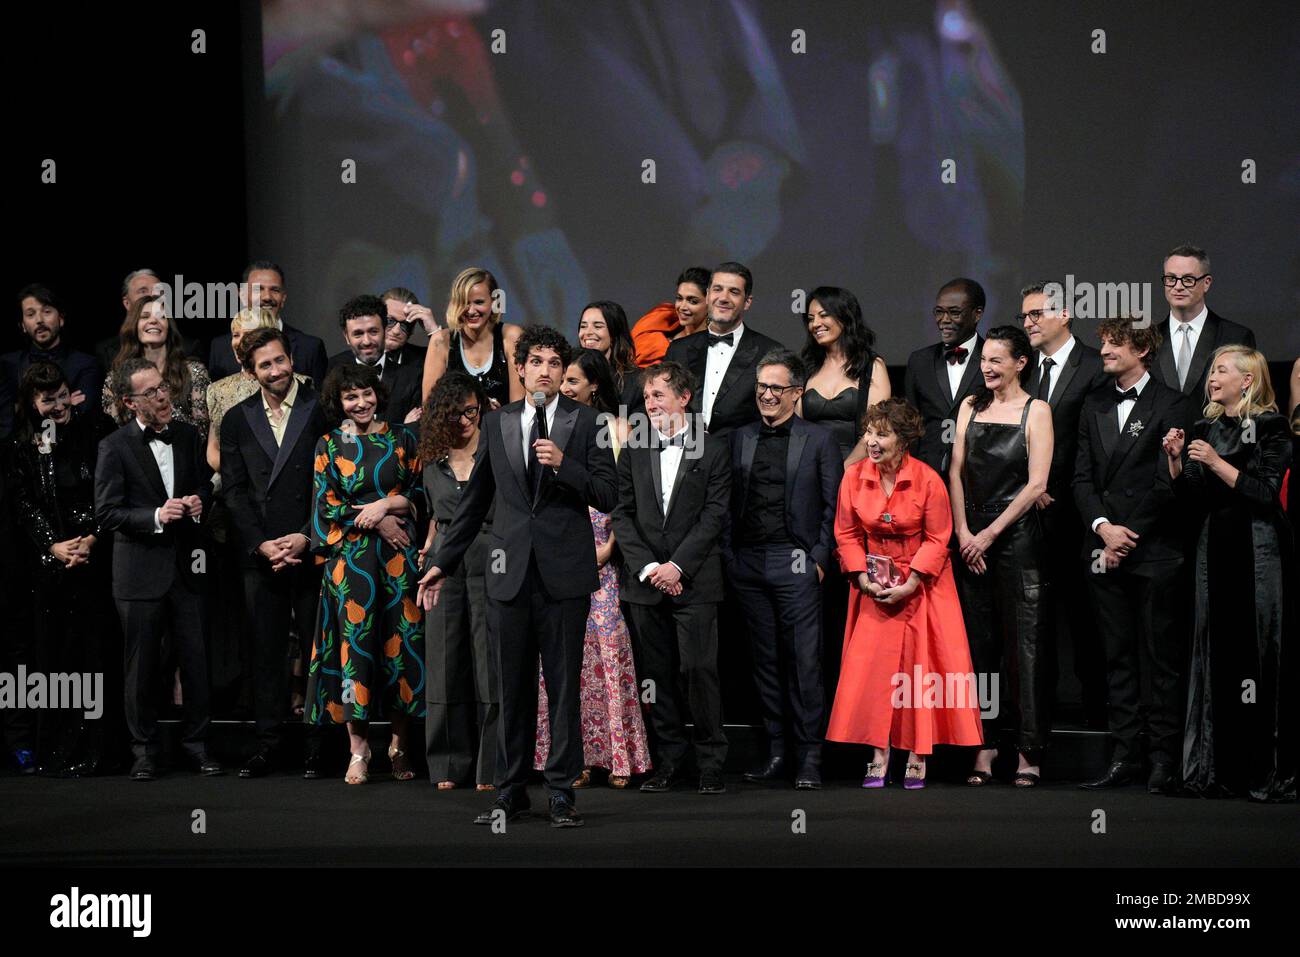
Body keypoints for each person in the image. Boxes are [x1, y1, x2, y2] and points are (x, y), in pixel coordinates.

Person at [418, 325, 618, 828]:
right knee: (510, 688)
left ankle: (561, 793)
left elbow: (609, 494)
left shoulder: (588, 421)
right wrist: (441, 561)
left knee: (563, 687)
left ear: (563, 371)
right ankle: (509, 791)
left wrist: (566, 465)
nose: (546, 371)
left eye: (556, 363)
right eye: (537, 362)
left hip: (565, 577)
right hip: (506, 575)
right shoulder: (499, 421)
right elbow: (474, 502)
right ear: (522, 368)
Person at [827, 397, 983, 787]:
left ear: (904, 439)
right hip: (873, 580)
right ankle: (878, 752)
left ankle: (918, 751)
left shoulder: (928, 478)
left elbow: (938, 536)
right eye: (868, 432)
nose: (872, 441)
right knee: (875, 671)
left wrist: (912, 581)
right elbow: (846, 534)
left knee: (921, 670)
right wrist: (863, 578)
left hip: (923, 583)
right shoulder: (853, 476)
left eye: (882, 433)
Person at [1163, 346, 1294, 802]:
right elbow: (1192, 501)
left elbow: (1264, 492)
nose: (1212, 377)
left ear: (1247, 380)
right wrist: (1178, 461)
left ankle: (1261, 772)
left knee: (1257, 652)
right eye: (1212, 369)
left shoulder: (1273, 428)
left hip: (1257, 551)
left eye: (1221, 370)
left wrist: (1217, 463)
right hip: (1213, 548)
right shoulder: (1206, 427)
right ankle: (1213, 769)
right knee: (1214, 651)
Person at [1074, 319, 1191, 792]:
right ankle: (1126, 756)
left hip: (1154, 552)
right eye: (1103, 342)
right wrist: (1103, 529)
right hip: (1104, 549)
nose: (1104, 350)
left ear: (1142, 349)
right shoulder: (1094, 402)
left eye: (1114, 343)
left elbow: (1168, 482)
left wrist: (1129, 534)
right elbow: (1081, 478)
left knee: (1159, 658)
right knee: (1116, 656)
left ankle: (1164, 757)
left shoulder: (1171, 402)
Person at [93, 357, 221, 781]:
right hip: (138, 573)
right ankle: (144, 751)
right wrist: (155, 515)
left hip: (187, 568)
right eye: (151, 392)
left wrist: (201, 500)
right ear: (130, 403)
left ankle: (197, 745)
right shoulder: (114, 446)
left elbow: (202, 482)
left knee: (196, 662)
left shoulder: (187, 435)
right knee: (141, 668)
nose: (163, 395)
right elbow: (108, 514)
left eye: (163, 387)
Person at [611, 361, 731, 794]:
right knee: (655, 676)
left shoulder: (713, 449)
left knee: (700, 670)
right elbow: (622, 514)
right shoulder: (635, 449)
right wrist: (649, 569)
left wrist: (677, 567)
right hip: (645, 583)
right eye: (646, 398)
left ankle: (711, 761)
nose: (651, 404)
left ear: (684, 398)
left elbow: (714, 515)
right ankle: (669, 760)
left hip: (695, 579)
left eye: (659, 395)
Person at [534, 349, 652, 788]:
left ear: (594, 385)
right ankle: (575, 758)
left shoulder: (616, 428)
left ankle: (621, 758)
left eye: (571, 380)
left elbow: (625, 494)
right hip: (561, 550)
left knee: (609, 649)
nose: (563, 387)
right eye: (560, 381)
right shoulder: (547, 425)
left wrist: (611, 548)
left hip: (604, 551)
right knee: (571, 660)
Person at [726, 349, 842, 789]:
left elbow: (833, 506)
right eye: (762, 387)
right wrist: (730, 557)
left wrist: (818, 559)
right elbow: (726, 503)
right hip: (748, 563)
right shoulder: (739, 438)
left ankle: (810, 758)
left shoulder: (819, 439)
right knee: (765, 662)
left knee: (804, 663)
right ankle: (777, 753)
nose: (767, 395)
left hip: (796, 563)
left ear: (798, 392)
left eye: (776, 387)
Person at [220, 328, 333, 779]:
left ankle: (317, 745)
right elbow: (233, 490)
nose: (276, 370)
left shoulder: (320, 407)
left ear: (292, 359)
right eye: (264, 364)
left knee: (316, 652)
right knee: (264, 654)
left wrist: (306, 537)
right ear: (250, 371)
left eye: (280, 360)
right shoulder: (235, 418)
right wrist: (262, 544)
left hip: (310, 551)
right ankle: (268, 743)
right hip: (261, 555)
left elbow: (332, 484)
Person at [307, 363, 425, 784]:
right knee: (353, 652)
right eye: (350, 397)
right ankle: (358, 749)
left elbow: (420, 493)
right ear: (338, 403)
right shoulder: (327, 444)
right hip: (351, 560)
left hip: (398, 560)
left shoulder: (403, 437)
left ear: (378, 393)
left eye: (366, 394)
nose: (360, 403)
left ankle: (399, 745)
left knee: (402, 648)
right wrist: (376, 518)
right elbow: (325, 509)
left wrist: (387, 507)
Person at [948, 325, 1053, 787]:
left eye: (996, 360)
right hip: (971, 539)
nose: (986, 367)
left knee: (1025, 649)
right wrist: (964, 532)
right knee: (979, 648)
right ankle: (985, 747)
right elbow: (954, 472)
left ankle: (1029, 753)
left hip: (1017, 540)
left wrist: (988, 534)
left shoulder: (1038, 410)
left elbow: (1037, 485)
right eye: (983, 359)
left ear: (1020, 363)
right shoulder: (970, 406)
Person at [10, 362, 118, 775]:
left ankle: (101, 749)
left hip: (96, 553)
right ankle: (57, 750)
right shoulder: (23, 442)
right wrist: (53, 545)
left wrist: (91, 537)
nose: (56, 406)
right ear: (31, 403)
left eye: (60, 396)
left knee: (97, 652)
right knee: (56, 656)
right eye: (46, 400)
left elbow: (110, 486)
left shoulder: (98, 428)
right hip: (51, 560)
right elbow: (23, 502)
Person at [1019, 281, 1110, 729]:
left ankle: (1096, 720)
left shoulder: (1095, 366)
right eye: (1025, 316)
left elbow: (1095, 441)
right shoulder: (1022, 369)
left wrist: (1057, 487)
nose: (1029, 323)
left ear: (1065, 314)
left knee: (1085, 616)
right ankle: (1040, 718)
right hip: (1027, 513)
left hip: (1077, 512)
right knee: (1034, 618)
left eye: (1036, 314)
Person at [416, 372, 499, 791]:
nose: (465, 420)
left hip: (491, 551)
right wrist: (430, 543)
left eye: (472, 410)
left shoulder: (497, 447)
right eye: (456, 413)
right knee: (444, 658)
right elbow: (432, 511)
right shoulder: (432, 457)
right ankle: (448, 763)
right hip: (444, 558)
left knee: (490, 660)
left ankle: (492, 767)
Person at [664, 261, 781, 439]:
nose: (724, 298)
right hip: (685, 455)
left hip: (742, 459)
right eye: (718, 289)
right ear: (708, 294)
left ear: (747, 301)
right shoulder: (678, 350)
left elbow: (777, 416)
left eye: (734, 292)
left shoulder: (770, 352)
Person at [206, 307, 311, 473]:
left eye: (247, 334)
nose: (239, 341)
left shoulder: (300, 383)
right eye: (235, 335)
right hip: (233, 479)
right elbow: (213, 448)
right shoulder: (218, 390)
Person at [798, 286, 891, 463]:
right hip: (810, 468)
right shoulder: (806, 368)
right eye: (810, 319)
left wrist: (844, 472)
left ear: (845, 317)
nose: (815, 324)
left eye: (824, 315)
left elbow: (875, 431)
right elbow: (797, 428)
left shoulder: (872, 366)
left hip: (858, 470)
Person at [1151, 244, 1256, 400]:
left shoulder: (1236, 336)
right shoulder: (1148, 339)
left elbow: (1247, 400)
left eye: (1188, 279)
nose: (1178, 286)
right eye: (1171, 279)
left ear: (1206, 282)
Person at [102, 294, 212, 443]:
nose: (153, 320)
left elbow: (202, 432)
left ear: (169, 327)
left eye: (162, 316)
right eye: (145, 316)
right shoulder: (115, 378)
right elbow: (114, 433)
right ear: (134, 326)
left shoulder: (194, 372)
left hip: (183, 456)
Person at [904, 278, 986, 475]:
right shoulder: (919, 361)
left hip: (979, 474)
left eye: (954, 312)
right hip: (926, 472)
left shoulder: (993, 358)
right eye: (939, 312)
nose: (944, 320)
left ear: (977, 314)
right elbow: (910, 422)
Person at [1, 284, 103, 438]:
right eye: (30, 314)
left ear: (61, 319)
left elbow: (83, 417)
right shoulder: (8, 364)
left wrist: (23, 409)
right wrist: (64, 404)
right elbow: (5, 423)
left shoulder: (86, 364)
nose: (39, 320)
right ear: (22, 325)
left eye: (47, 312)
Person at [206, 260, 328, 385]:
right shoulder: (220, 348)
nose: (267, 297)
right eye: (258, 290)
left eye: (275, 290)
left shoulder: (310, 348)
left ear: (283, 298)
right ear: (242, 295)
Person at [421, 266, 525, 409]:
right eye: (464, 302)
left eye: (479, 302)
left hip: (502, 429)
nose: (470, 310)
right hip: (454, 429)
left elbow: (518, 408)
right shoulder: (440, 341)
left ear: (494, 301)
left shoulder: (511, 336)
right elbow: (429, 408)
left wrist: (494, 419)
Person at [325, 295, 424, 426]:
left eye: (373, 332)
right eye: (358, 334)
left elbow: (415, 432)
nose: (367, 341)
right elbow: (330, 424)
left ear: (384, 331)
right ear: (347, 337)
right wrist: (401, 429)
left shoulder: (411, 377)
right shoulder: (333, 369)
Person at [630, 267, 712, 368]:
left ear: (710, 304)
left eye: (693, 301)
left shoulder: (713, 346)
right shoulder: (657, 331)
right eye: (679, 298)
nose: (682, 307)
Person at [576, 301, 641, 410]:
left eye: (597, 326)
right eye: (583, 326)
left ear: (614, 334)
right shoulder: (568, 377)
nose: (587, 332)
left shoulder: (637, 382)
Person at [381, 286, 433, 370]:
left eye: (406, 324)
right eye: (390, 321)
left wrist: (433, 331)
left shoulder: (425, 359)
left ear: (412, 330)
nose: (396, 331)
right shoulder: (353, 358)